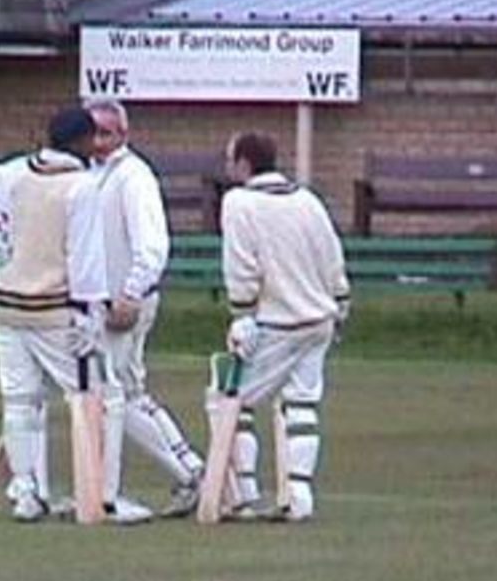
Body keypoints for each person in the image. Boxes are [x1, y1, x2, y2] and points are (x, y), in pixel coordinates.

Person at [0, 106, 111, 522]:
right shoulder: (82, 187)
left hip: (6, 302)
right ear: (81, 141)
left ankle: (26, 492)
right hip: (53, 308)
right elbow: (85, 255)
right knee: (91, 397)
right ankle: (98, 496)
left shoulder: (17, 175)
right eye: (93, 138)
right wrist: (90, 313)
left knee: (20, 400)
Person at [212, 130, 350, 521]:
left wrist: (242, 314)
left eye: (230, 160)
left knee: (228, 398)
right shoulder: (308, 200)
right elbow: (332, 257)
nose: (227, 167)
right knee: (301, 402)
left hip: (277, 322)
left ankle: (244, 494)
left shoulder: (238, 203)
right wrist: (340, 303)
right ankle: (299, 498)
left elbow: (241, 264)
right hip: (319, 320)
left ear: (243, 163)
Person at [83, 98, 205, 520]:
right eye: (92, 133)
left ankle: (183, 475)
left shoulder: (133, 176)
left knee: (116, 393)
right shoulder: (90, 174)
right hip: (99, 303)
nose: (98, 142)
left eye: (106, 133)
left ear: (123, 134)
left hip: (126, 302)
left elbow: (152, 245)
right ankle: (191, 471)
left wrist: (131, 293)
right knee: (124, 393)